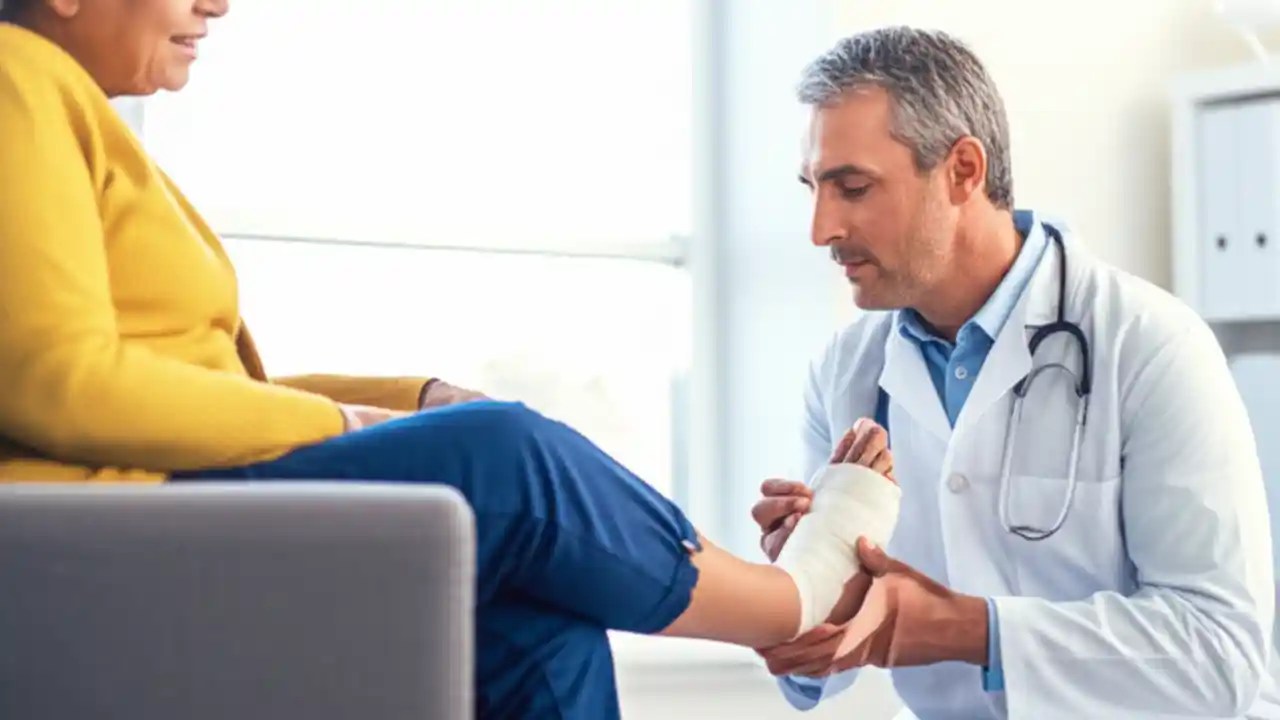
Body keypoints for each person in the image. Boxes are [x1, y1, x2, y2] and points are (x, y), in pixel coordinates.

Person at [0, 2, 912, 719]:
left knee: (538, 623)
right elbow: (60, 386)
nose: (217, 3)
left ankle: (767, 598)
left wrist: (410, 397)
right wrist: (343, 422)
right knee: (501, 452)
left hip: (157, 504)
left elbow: (202, 390)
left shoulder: (66, 104)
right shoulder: (17, 76)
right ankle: (788, 604)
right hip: (102, 525)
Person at [749, 25, 1280, 719]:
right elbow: (823, 670)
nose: (820, 228)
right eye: (813, 188)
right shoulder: (846, 371)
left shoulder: (1149, 344)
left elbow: (1220, 656)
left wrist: (965, 627)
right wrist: (814, 580)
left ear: (963, 171)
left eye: (852, 188)